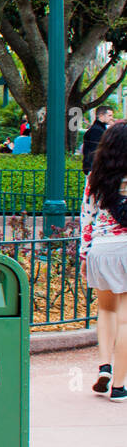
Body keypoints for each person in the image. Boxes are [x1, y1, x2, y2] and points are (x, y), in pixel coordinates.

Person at [79, 121, 127, 402]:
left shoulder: (94, 178)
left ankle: (105, 367)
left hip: (101, 249)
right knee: (125, 319)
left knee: (106, 311)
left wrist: (84, 255)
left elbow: (87, 218)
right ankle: (120, 387)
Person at [82, 106, 115, 175]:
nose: (111, 118)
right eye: (109, 115)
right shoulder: (96, 130)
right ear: (101, 116)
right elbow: (95, 151)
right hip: (95, 170)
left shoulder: (99, 129)